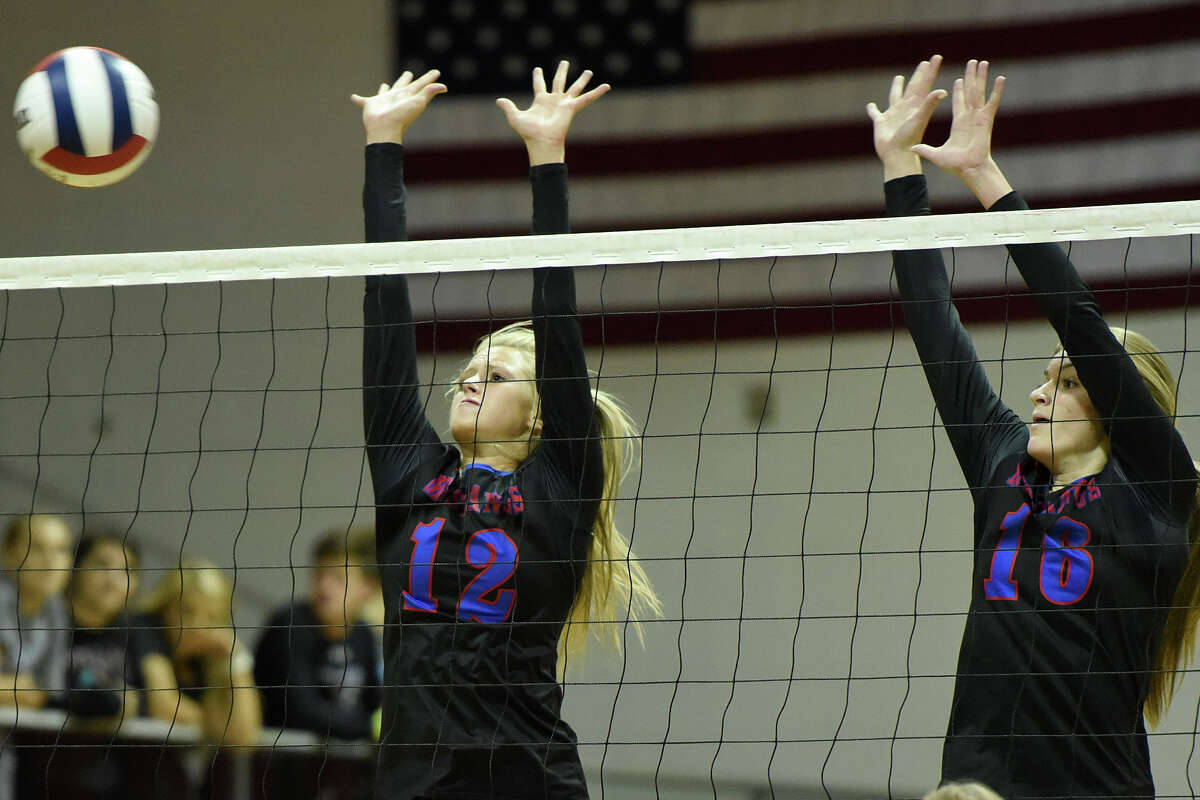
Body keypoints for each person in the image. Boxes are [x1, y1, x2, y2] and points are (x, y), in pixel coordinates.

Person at [868, 56, 1200, 798]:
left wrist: (987, 180)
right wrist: (900, 171)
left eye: (1071, 381)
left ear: (1118, 408)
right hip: (978, 787)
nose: (1041, 393)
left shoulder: (1155, 486)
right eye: (1047, 377)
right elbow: (935, 329)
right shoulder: (1003, 465)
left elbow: (1077, 317)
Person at [355, 62, 660, 798]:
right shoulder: (410, 472)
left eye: (496, 377)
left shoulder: (558, 485)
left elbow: (557, 314)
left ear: (543, 412)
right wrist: (382, 145)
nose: (468, 380)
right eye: (469, 368)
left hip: (527, 779)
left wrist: (547, 159)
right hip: (411, 782)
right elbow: (385, 313)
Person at [254, 530, 381, 739]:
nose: (324, 588)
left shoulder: (363, 635)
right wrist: (371, 728)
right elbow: (301, 712)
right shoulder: (290, 626)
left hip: (345, 766)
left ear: (369, 587)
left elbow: (373, 704)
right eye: (320, 574)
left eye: (338, 579)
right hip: (281, 764)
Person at [136, 558, 262, 747]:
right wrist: (215, 724)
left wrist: (237, 659)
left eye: (211, 617)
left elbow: (245, 735)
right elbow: (165, 706)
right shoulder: (144, 630)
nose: (198, 625)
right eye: (187, 611)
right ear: (165, 607)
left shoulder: (208, 658)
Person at [64, 531, 147, 724]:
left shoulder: (139, 632)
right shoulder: (48, 623)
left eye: (126, 570)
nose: (112, 580)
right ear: (75, 569)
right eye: (102, 565)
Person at [0, 514, 72, 710]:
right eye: (37, 548)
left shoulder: (56, 610)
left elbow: (48, 691)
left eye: (61, 550)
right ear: (9, 554)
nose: (51, 561)